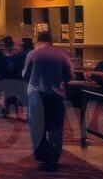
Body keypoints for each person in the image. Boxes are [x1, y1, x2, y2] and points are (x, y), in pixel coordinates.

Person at [23, 31, 73, 171]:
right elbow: (69, 75)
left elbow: (25, 74)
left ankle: (41, 156)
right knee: (56, 127)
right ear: (51, 41)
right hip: (57, 95)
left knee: (37, 126)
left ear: (38, 41)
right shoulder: (62, 55)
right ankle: (53, 157)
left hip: (36, 94)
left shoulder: (32, 54)